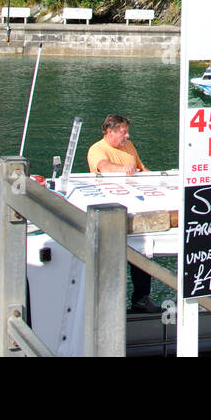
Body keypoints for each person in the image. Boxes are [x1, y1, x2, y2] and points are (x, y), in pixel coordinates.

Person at [86, 115, 161, 313]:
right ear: (109, 132)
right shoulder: (97, 149)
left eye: (127, 132)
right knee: (111, 257)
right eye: (123, 132)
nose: (127, 136)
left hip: (136, 206)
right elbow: (103, 166)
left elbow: (141, 168)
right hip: (112, 211)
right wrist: (123, 170)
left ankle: (141, 298)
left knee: (142, 251)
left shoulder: (129, 147)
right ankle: (106, 305)